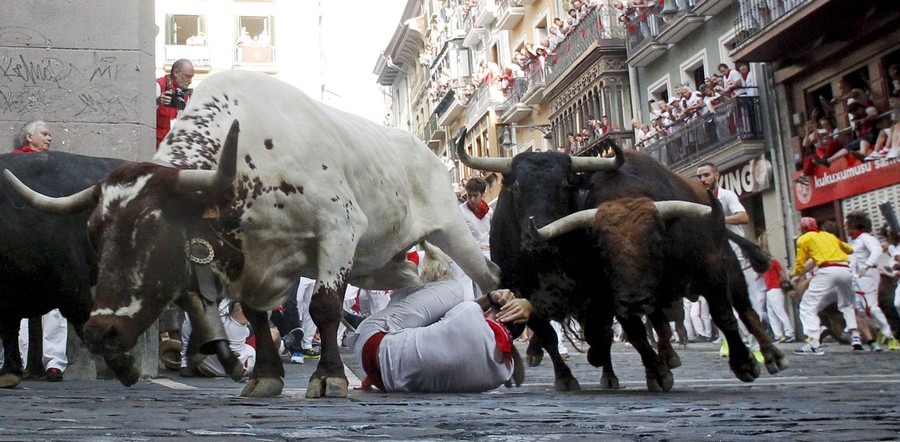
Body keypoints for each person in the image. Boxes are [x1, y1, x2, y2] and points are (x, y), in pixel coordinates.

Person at [346, 247, 528, 393]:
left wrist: (489, 297)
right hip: (384, 381)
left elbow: (452, 311)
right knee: (436, 336)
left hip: (371, 339)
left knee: (453, 291)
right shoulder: (504, 372)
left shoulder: (470, 314)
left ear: (492, 312)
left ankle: (360, 317)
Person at [10, 120, 67, 382]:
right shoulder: (12, 162)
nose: (49, 138)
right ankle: (13, 359)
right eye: (44, 133)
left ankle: (55, 363)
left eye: (50, 134)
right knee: (12, 303)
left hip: (50, 240)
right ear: (29, 136)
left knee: (56, 305)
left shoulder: (56, 165)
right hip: (19, 240)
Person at [696, 162, 764, 359]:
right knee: (719, 302)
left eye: (707, 175)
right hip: (715, 258)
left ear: (717, 175)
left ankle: (757, 346)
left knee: (747, 300)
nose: (703, 180)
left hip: (736, 256)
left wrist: (720, 220)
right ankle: (730, 340)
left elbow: (743, 217)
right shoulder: (699, 200)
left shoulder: (727, 195)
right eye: (700, 177)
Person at [790, 217, 861, 355]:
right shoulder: (829, 236)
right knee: (847, 304)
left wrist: (795, 274)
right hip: (845, 269)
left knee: (807, 306)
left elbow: (800, 261)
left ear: (803, 228)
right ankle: (854, 333)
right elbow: (849, 250)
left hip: (827, 270)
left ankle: (814, 343)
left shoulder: (804, 239)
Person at [845, 212, 898, 350]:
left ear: (854, 225)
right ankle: (882, 330)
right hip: (857, 277)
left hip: (868, 275)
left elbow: (877, 249)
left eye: (847, 225)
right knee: (861, 311)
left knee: (871, 308)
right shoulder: (853, 241)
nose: (845, 227)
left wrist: (866, 266)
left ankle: (890, 336)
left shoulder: (866, 238)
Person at [452, 177, 492, 300]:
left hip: (488, 254)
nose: (472, 199)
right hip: (468, 253)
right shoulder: (460, 211)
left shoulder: (489, 211)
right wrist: (473, 245)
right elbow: (456, 235)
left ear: (482, 194)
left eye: (475, 195)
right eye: (469, 196)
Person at [758, 233, 795, 343]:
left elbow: (782, 274)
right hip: (770, 289)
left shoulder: (773, 262)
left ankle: (789, 333)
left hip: (775, 289)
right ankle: (779, 334)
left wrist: (786, 287)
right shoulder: (764, 264)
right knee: (771, 313)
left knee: (779, 311)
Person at [155, 59, 194, 148]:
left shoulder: (184, 94)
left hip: (172, 147)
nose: (190, 81)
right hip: (155, 147)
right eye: (188, 76)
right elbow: (143, 114)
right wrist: (158, 102)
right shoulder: (158, 86)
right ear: (176, 73)